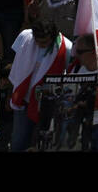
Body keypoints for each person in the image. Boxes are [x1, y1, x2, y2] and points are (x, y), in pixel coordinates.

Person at [9, 19, 76, 151]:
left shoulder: (67, 47)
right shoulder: (25, 37)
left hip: (47, 106)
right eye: (37, 41)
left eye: (44, 42)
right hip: (23, 99)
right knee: (18, 141)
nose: (40, 45)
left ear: (53, 35)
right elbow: (17, 66)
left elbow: (70, 76)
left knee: (42, 143)